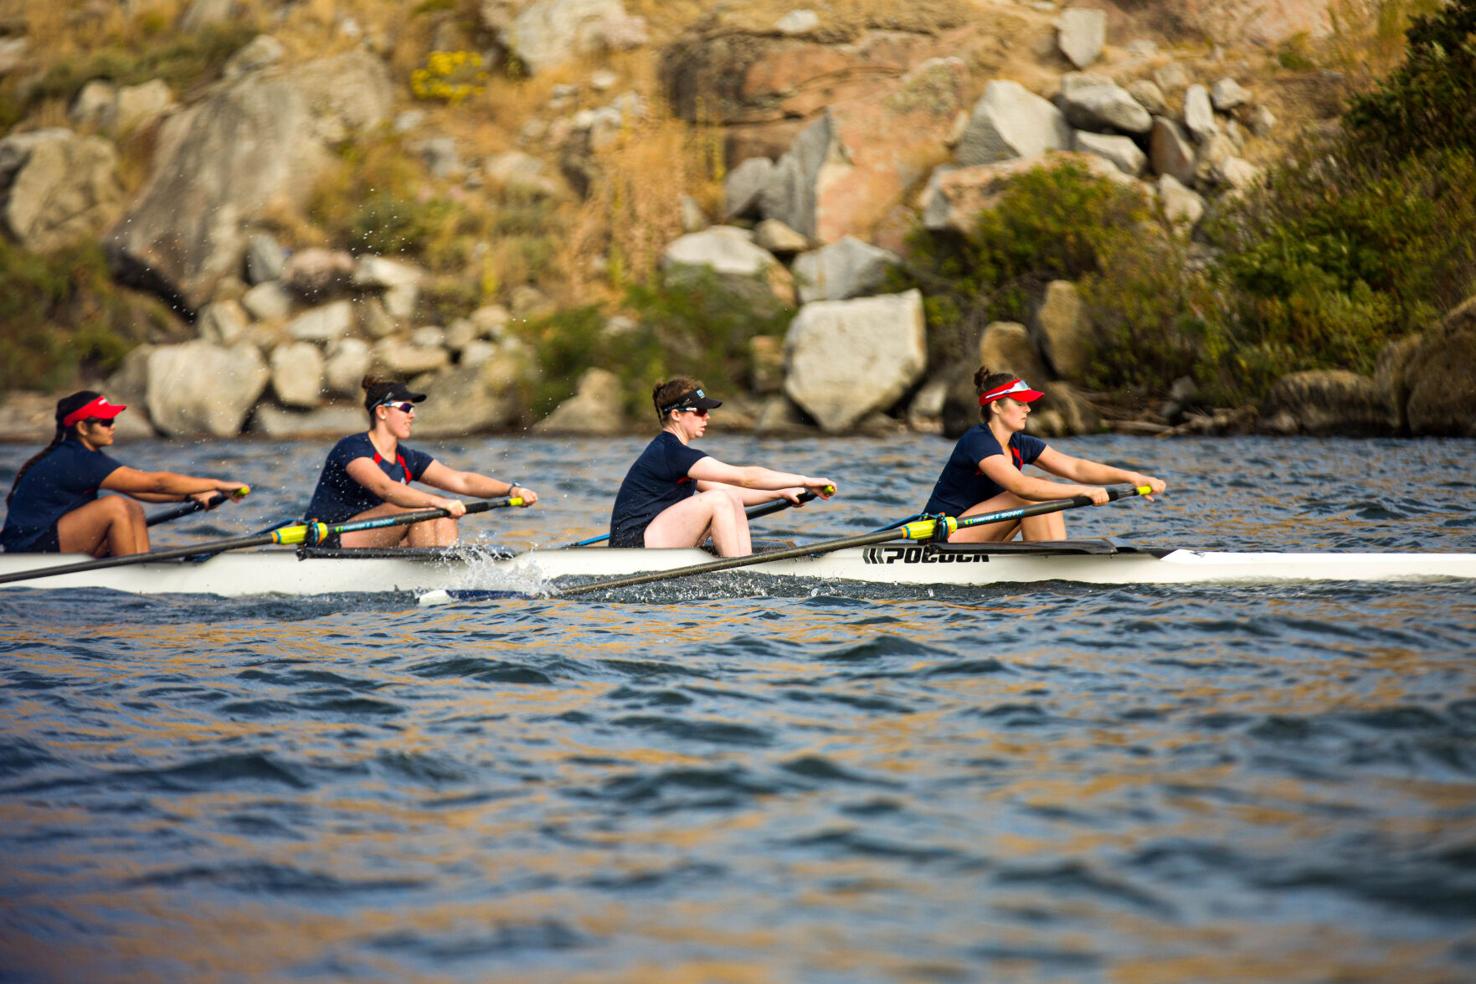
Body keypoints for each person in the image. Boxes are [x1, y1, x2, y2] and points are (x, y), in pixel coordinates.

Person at [922, 368, 1167, 542]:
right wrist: (1082, 491)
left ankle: (1053, 553)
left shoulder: (1021, 444)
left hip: (975, 534)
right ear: (996, 407)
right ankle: (1052, 562)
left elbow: (1077, 468)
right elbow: (1021, 486)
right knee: (1033, 492)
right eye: (1019, 403)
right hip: (942, 538)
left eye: (1027, 403)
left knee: (1042, 489)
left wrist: (1133, 477)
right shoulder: (977, 441)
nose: (1028, 409)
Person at [1, 391, 249, 557]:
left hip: (49, 539)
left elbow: (141, 490)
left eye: (113, 420)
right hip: (27, 548)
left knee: (132, 508)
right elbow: (157, 483)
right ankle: (133, 574)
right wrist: (217, 482)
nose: (113, 426)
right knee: (115, 507)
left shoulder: (85, 456)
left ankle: (140, 567)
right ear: (82, 428)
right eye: (106, 421)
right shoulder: (75, 458)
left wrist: (192, 495)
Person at [608, 376, 836, 556]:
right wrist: (806, 480)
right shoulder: (671, 452)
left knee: (726, 496)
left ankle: (743, 565)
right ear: (676, 415)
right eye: (699, 411)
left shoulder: (676, 455)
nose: (707, 417)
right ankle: (739, 571)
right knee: (719, 500)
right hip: (633, 546)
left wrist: (780, 493)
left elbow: (733, 491)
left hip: (654, 538)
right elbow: (744, 477)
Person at [303, 377, 538, 548]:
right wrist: (438, 501)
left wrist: (512, 489)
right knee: (422, 506)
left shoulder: (408, 458)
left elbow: (462, 481)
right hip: (330, 537)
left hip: (375, 537)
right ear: (382, 412)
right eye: (406, 407)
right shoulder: (352, 448)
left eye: (413, 409)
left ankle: (446, 573)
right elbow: (386, 489)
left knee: (440, 512)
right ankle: (434, 575)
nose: (412, 415)